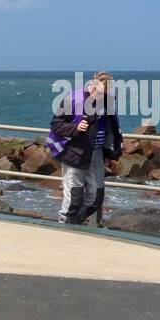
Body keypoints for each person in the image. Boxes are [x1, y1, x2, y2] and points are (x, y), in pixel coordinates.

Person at [47, 71, 123, 225]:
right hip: (75, 151)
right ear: (92, 89)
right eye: (102, 95)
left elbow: (113, 125)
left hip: (96, 152)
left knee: (96, 197)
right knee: (74, 197)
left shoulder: (107, 100)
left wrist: (115, 148)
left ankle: (75, 222)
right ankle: (65, 223)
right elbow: (56, 125)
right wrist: (75, 128)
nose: (104, 99)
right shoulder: (73, 99)